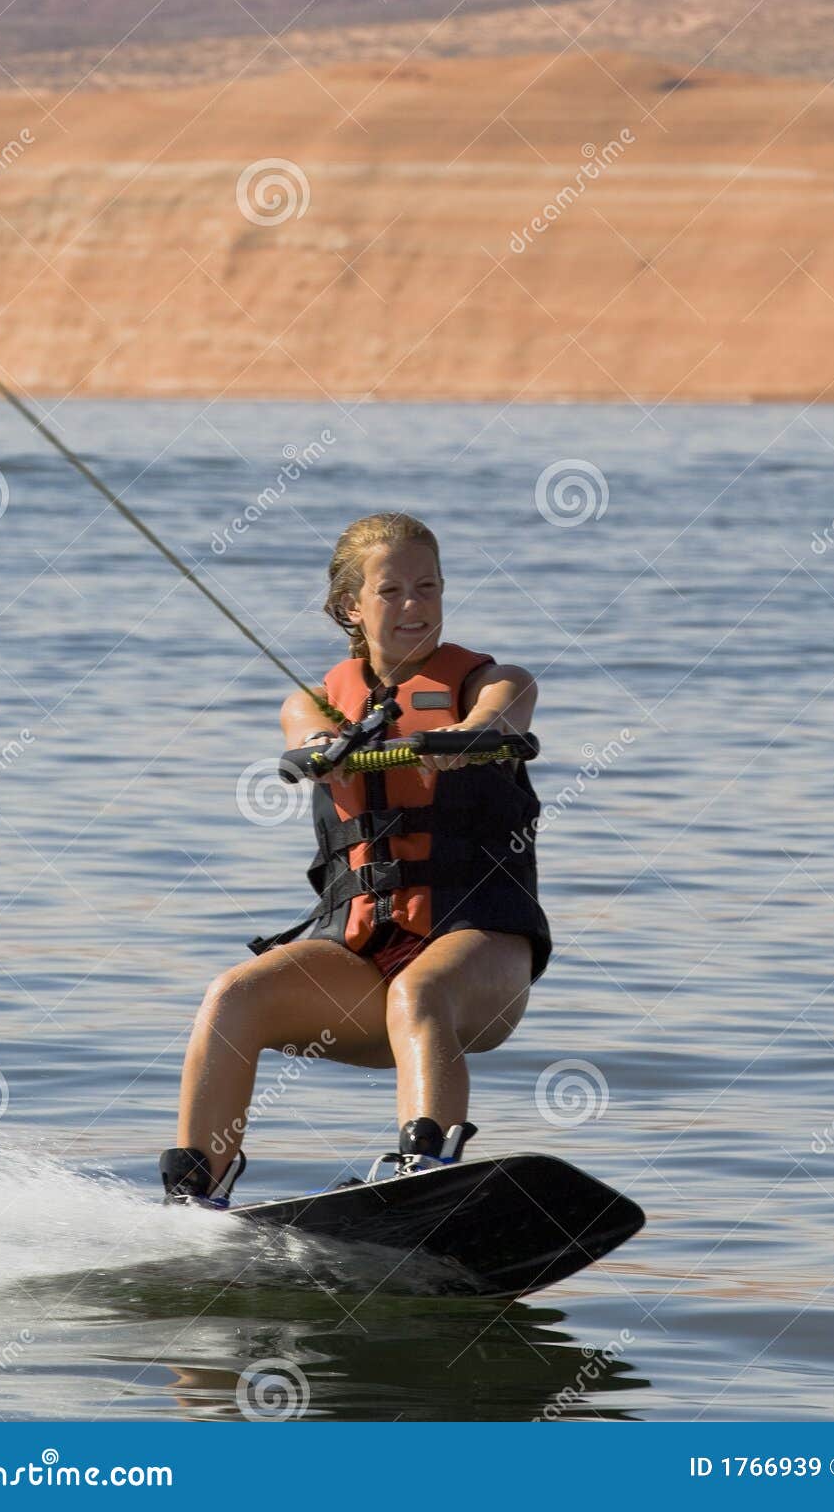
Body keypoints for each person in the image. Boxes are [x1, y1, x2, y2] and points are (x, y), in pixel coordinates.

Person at [160, 512, 551, 1205]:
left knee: (420, 991)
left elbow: (504, 711)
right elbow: (303, 736)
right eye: (392, 590)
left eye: (427, 588)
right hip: (363, 957)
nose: (414, 606)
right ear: (350, 605)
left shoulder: (490, 681)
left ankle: (424, 1174)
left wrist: (461, 739)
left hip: (480, 955)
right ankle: (197, 1196)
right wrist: (326, 748)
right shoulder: (313, 701)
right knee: (233, 996)